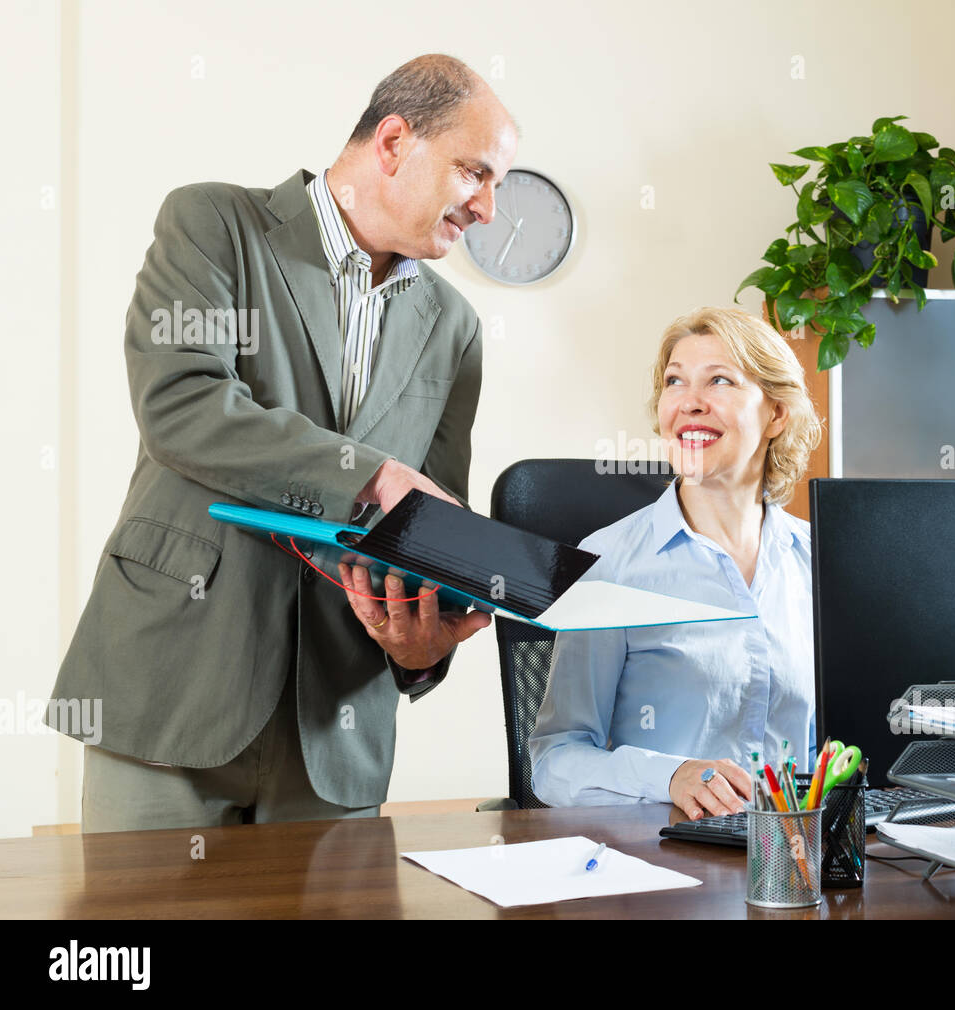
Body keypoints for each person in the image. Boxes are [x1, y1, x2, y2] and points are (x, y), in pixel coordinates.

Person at [46, 55, 517, 831]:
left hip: (338, 727)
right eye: (477, 174)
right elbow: (182, 404)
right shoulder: (214, 223)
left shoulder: (455, 326)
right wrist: (372, 477)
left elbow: (428, 517)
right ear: (395, 141)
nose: (490, 208)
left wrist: (424, 645)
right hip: (173, 689)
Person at [529, 307, 822, 818]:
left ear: (776, 414)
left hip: (794, 859)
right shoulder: (608, 563)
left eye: (720, 381)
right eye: (674, 382)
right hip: (660, 861)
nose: (690, 402)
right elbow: (555, 762)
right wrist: (668, 776)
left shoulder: (821, 561)